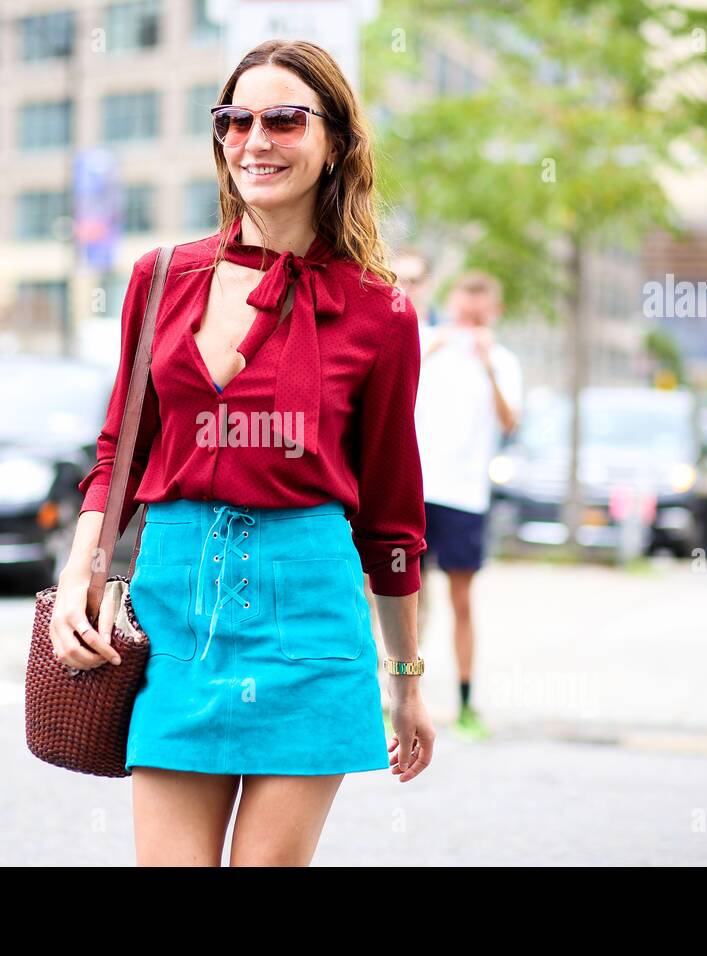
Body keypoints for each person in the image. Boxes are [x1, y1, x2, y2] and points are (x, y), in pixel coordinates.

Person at [49, 39, 435, 866]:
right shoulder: (160, 277)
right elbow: (119, 445)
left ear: (335, 143)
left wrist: (405, 681)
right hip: (172, 605)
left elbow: (394, 516)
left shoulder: (381, 313)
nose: (256, 139)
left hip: (311, 611)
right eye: (236, 120)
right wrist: (80, 567)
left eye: (285, 119)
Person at [414, 271, 521, 742]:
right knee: (403, 598)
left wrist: (488, 365)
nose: (470, 316)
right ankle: (399, 696)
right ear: (452, 302)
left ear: (493, 312)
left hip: (465, 495)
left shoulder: (502, 359)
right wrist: (439, 345)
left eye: (480, 310)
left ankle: (465, 702)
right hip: (416, 488)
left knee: (462, 601)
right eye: (464, 306)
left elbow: (509, 421)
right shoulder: (423, 341)